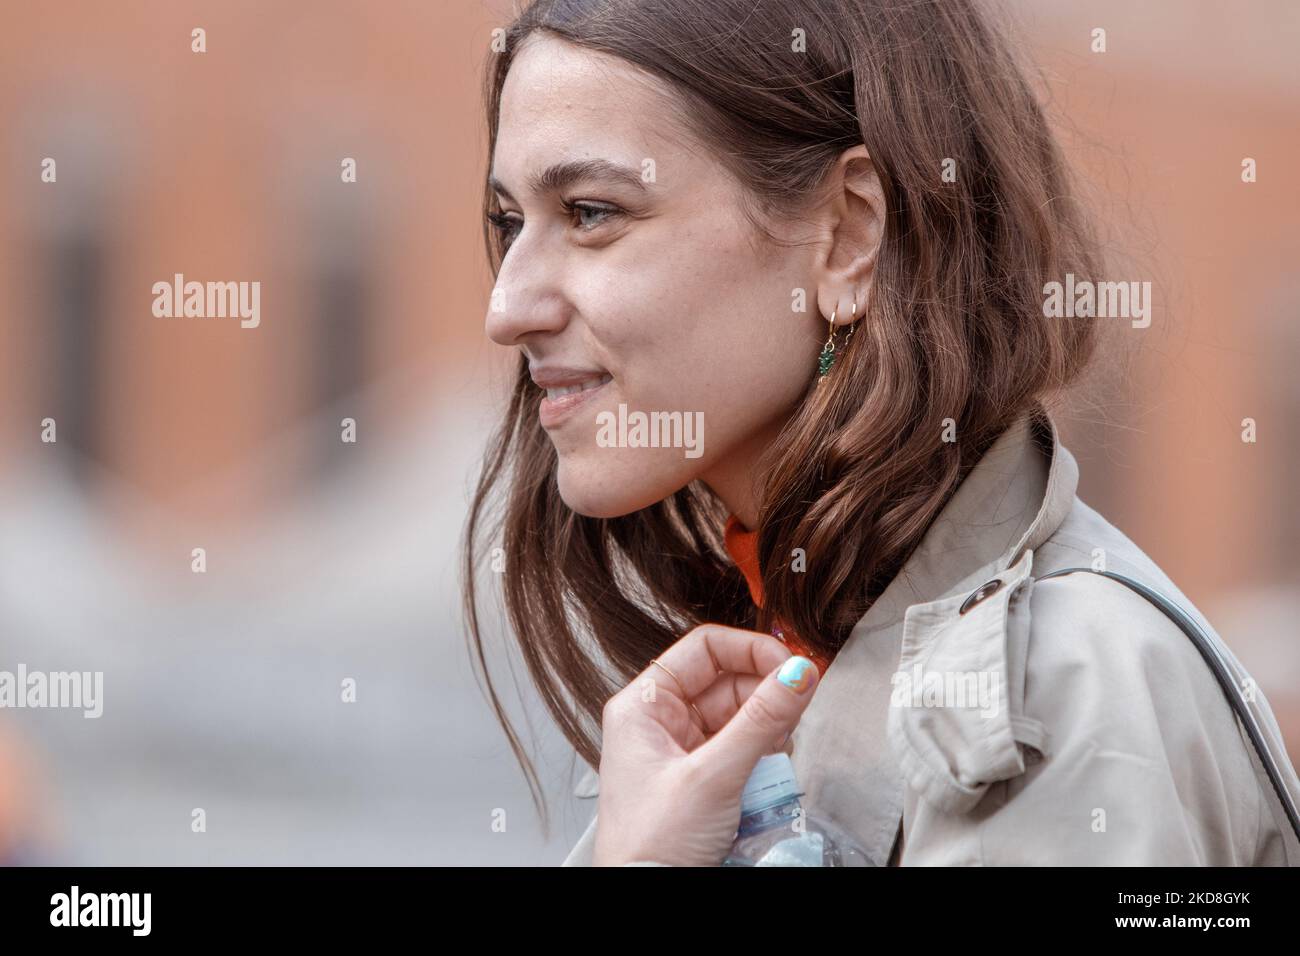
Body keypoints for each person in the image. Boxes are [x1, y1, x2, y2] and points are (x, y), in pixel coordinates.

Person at [462, 0, 1300, 866]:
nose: (507, 309)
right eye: (509, 224)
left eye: (592, 213)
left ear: (850, 234)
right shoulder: (766, 660)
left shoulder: (1066, 698)